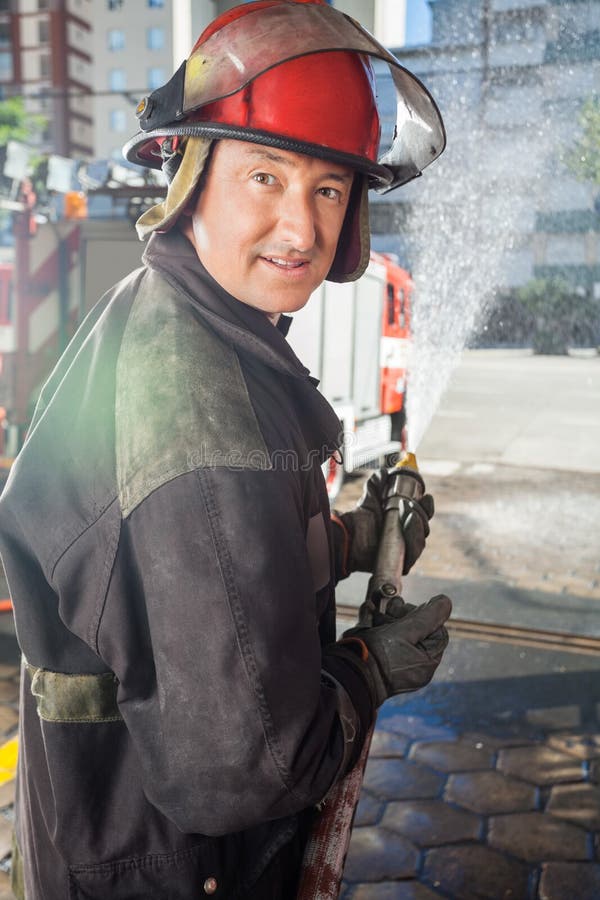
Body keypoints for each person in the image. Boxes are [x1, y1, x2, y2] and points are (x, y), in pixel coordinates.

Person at [0, 2, 451, 898]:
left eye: (328, 188)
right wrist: (367, 673)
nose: (302, 228)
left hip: (99, 830)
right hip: (166, 866)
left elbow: (204, 571)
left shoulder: (183, 318)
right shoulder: (201, 414)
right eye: (265, 177)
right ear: (194, 179)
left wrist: (351, 540)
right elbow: (245, 769)